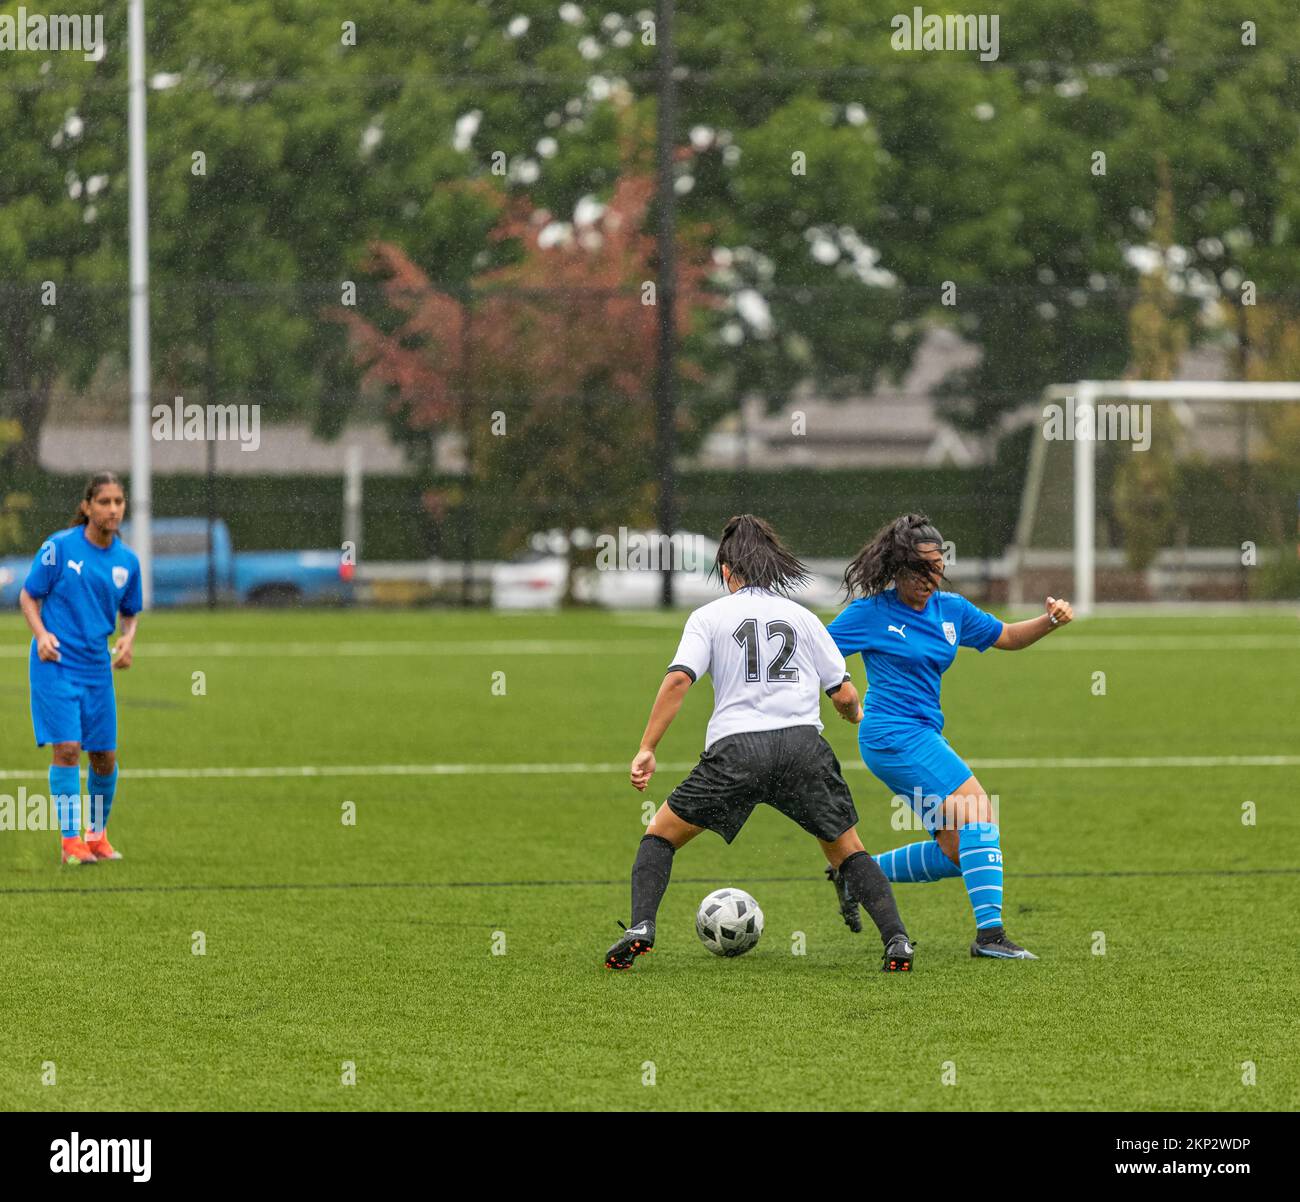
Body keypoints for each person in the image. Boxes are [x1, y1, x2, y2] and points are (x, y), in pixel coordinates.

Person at [606, 514, 916, 973]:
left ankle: (641, 928)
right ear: (772, 566)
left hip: (737, 752)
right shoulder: (803, 618)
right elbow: (846, 694)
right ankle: (897, 942)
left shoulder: (708, 617)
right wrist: (852, 715)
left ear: (727, 570)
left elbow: (678, 680)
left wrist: (648, 746)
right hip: (802, 750)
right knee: (849, 850)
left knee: (660, 837)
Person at [822, 513, 1073, 960]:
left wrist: (1049, 621)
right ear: (897, 567)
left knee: (957, 848)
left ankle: (856, 872)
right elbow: (815, 652)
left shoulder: (951, 609)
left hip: (923, 734)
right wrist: (841, 690)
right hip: (890, 736)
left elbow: (1009, 636)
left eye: (937, 567)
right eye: (921, 570)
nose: (930, 578)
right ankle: (990, 937)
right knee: (979, 812)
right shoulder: (871, 612)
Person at [19, 472, 142, 865]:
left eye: (118, 502)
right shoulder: (59, 547)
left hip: (96, 669)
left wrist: (127, 639)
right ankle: (71, 841)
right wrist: (41, 635)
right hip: (55, 664)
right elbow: (28, 594)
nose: (112, 509)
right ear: (87, 506)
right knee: (69, 749)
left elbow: (130, 612)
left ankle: (96, 835)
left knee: (104, 756)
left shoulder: (127, 560)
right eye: (104, 501)